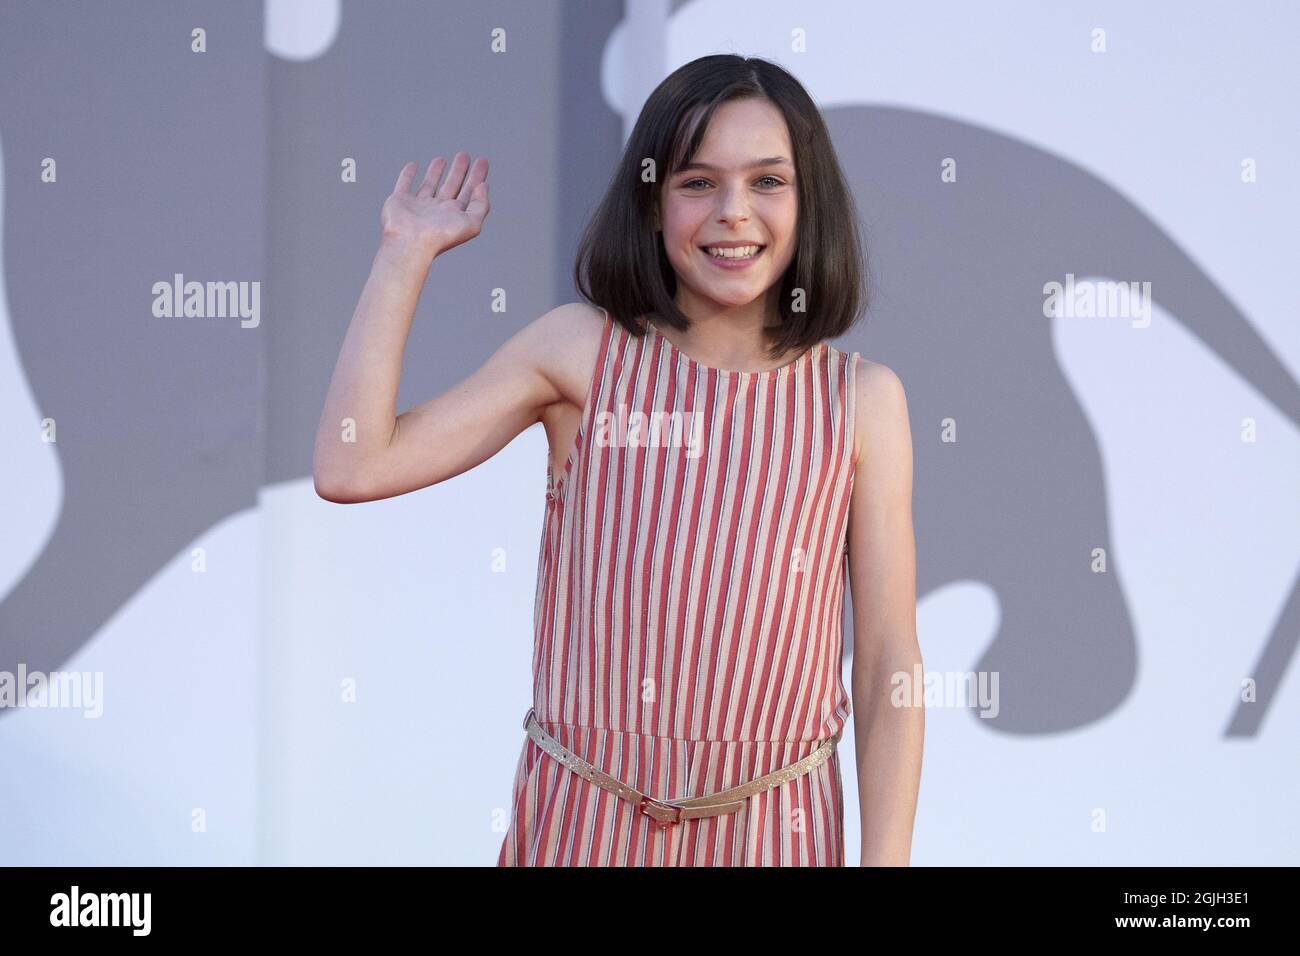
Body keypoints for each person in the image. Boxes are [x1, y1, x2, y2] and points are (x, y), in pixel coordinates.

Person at [313, 53, 922, 867]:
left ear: (810, 202)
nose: (733, 213)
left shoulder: (861, 401)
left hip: (780, 834)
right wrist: (404, 253)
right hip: (580, 829)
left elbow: (888, 661)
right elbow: (352, 467)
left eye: (768, 182)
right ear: (652, 202)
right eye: (696, 182)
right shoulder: (581, 353)